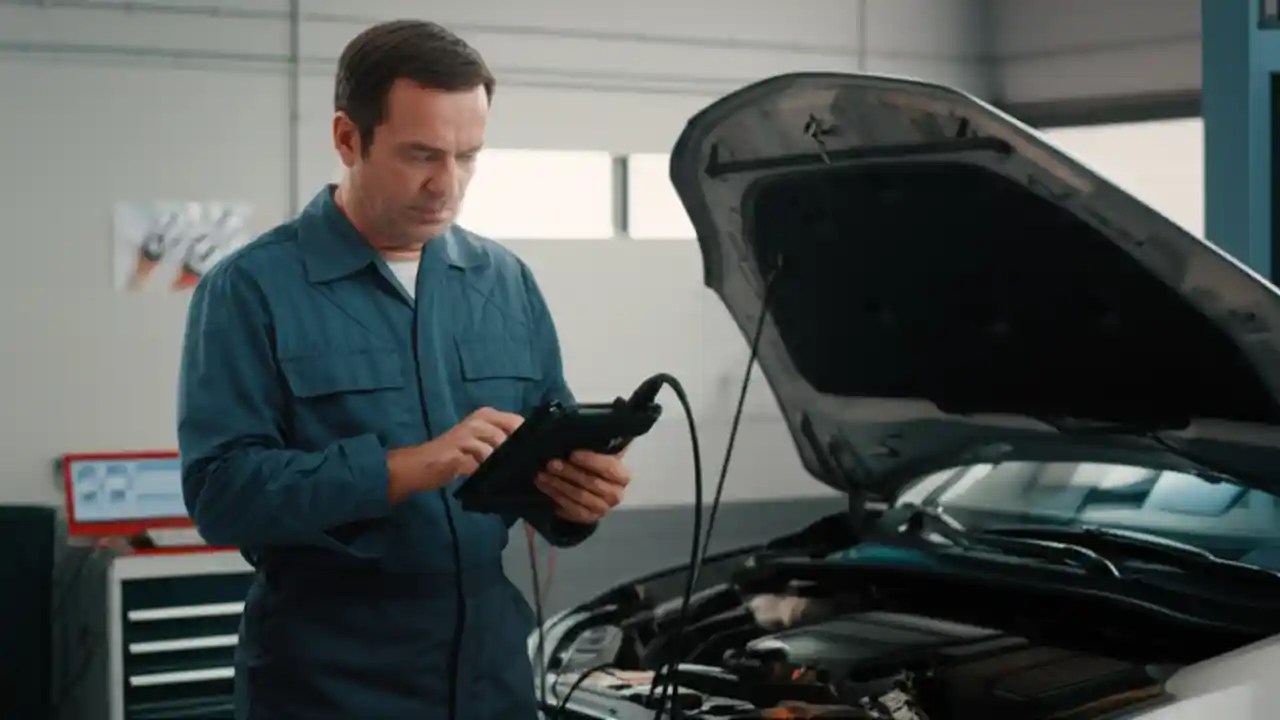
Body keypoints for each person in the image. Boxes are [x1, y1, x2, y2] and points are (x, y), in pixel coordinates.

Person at [176, 19, 632, 720]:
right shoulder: (251, 288)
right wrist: (405, 467)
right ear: (347, 139)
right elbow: (220, 494)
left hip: (490, 666)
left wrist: (577, 498)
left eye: (468, 156)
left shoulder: (506, 283)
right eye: (420, 154)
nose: (446, 185)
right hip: (327, 672)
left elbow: (542, 462)